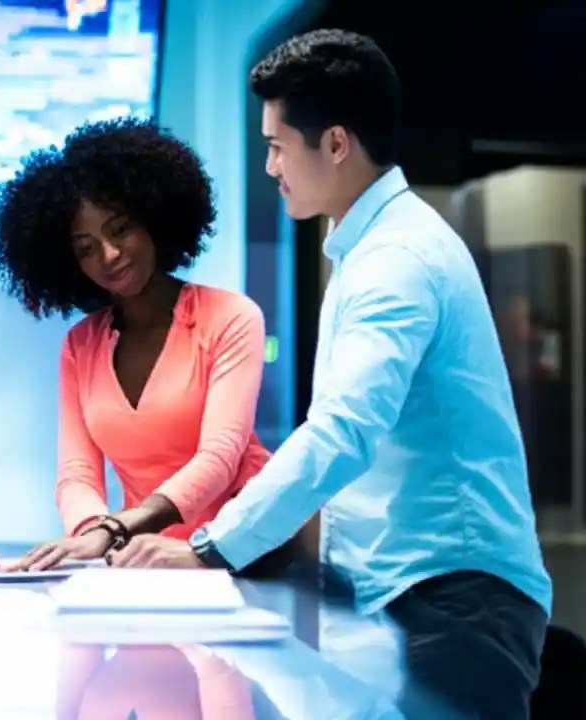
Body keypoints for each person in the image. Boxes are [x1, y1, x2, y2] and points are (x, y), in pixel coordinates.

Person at [112, 29, 552, 718]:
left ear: (337, 144)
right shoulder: (371, 249)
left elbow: (344, 432)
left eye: (278, 145)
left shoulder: (397, 262)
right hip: (417, 598)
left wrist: (210, 549)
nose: (269, 166)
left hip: (459, 605)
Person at [0, 116, 283, 572]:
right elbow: (77, 474)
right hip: (141, 562)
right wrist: (92, 535)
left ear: (152, 220)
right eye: (85, 248)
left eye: (120, 229)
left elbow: (220, 458)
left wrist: (117, 529)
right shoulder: (80, 346)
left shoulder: (231, 317)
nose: (108, 255)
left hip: (241, 552)